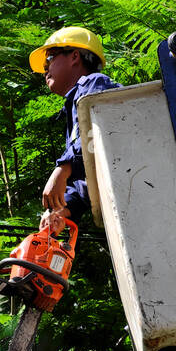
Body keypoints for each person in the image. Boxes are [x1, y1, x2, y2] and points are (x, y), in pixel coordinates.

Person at [29, 27, 120, 232]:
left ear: (75, 56)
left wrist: (62, 169)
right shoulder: (74, 106)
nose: (45, 68)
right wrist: (62, 208)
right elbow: (91, 172)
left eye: (50, 58)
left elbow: (98, 136)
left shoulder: (94, 84)